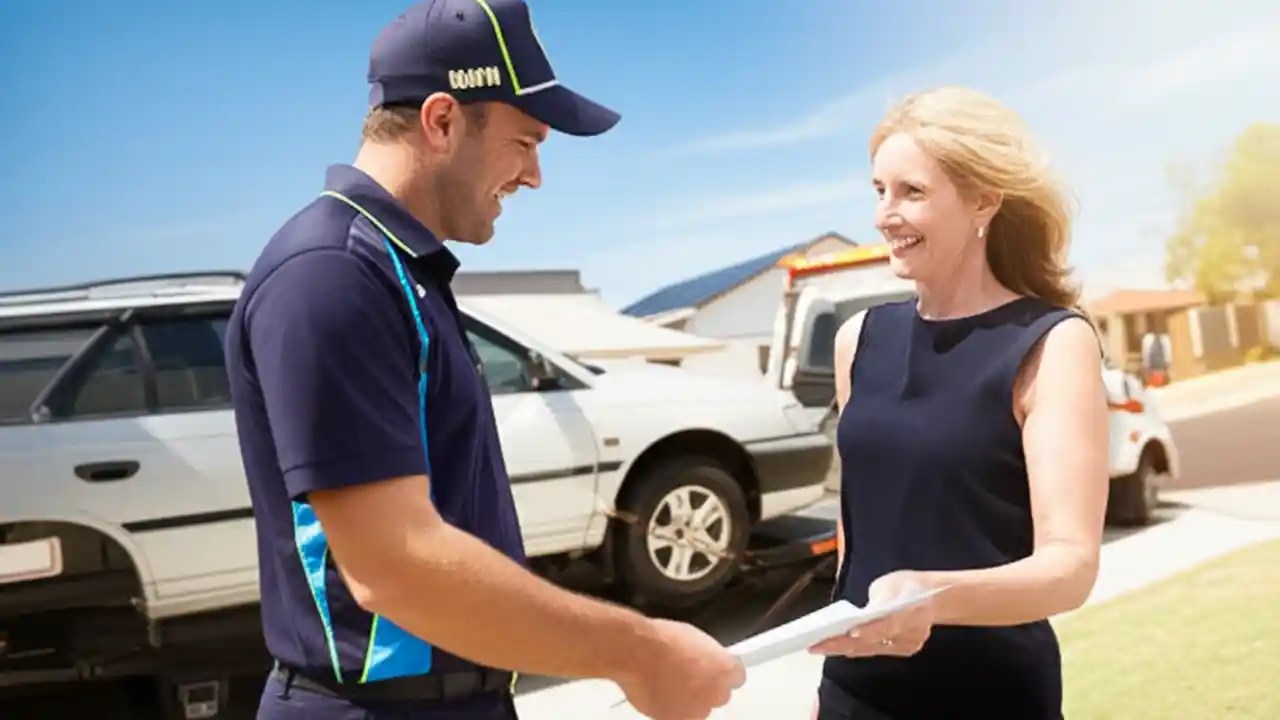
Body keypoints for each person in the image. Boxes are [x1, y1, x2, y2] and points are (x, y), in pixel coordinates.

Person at [222, 1, 745, 718]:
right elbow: (393, 565)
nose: (534, 176)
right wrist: (639, 651)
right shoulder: (333, 274)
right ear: (441, 121)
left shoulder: (396, 271)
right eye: (525, 142)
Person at [806, 86, 1109, 719]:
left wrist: (933, 597)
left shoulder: (1053, 343)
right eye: (878, 190)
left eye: (911, 192)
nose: (885, 214)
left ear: (982, 200)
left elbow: (1070, 567)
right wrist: (823, 696)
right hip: (855, 695)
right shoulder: (857, 342)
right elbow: (858, 531)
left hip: (988, 697)